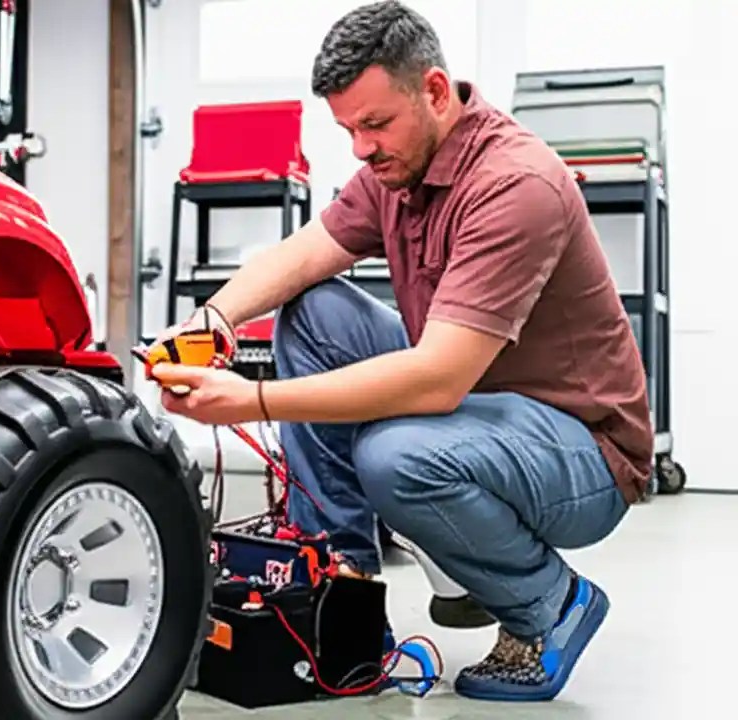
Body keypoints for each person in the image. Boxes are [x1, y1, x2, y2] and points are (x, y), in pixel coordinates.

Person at [150, 0, 652, 703]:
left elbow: (439, 379)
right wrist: (214, 320)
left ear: (436, 92)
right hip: (479, 409)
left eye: (375, 124)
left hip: (582, 453)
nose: (360, 146)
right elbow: (303, 255)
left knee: (396, 455)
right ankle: (345, 598)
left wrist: (252, 400)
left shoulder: (515, 183)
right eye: (348, 128)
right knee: (315, 311)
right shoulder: (397, 170)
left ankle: (550, 605)